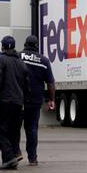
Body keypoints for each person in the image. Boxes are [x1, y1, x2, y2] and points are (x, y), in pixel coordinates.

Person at [0, 35, 28, 171]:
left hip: (4, 101)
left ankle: (9, 157)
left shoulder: (0, 61)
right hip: (18, 102)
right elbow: (26, 85)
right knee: (13, 130)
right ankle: (14, 155)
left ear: (2, 47)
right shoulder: (22, 63)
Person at [19, 34, 56, 165]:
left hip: (19, 99)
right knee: (32, 128)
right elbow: (50, 83)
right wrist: (51, 99)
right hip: (35, 100)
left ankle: (15, 153)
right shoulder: (44, 61)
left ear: (25, 44)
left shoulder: (18, 57)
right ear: (36, 46)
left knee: (15, 127)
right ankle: (32, 158)